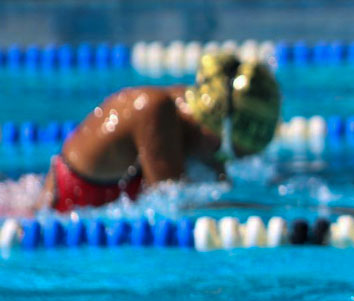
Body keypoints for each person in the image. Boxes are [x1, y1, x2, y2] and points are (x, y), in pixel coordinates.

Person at [36, 52, 280, 212]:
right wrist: (256, 208)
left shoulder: (193, 117)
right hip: (57, 217)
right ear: (215, 135)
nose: (226, 162)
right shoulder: (155, 112)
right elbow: (173, 204)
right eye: (234, 152)